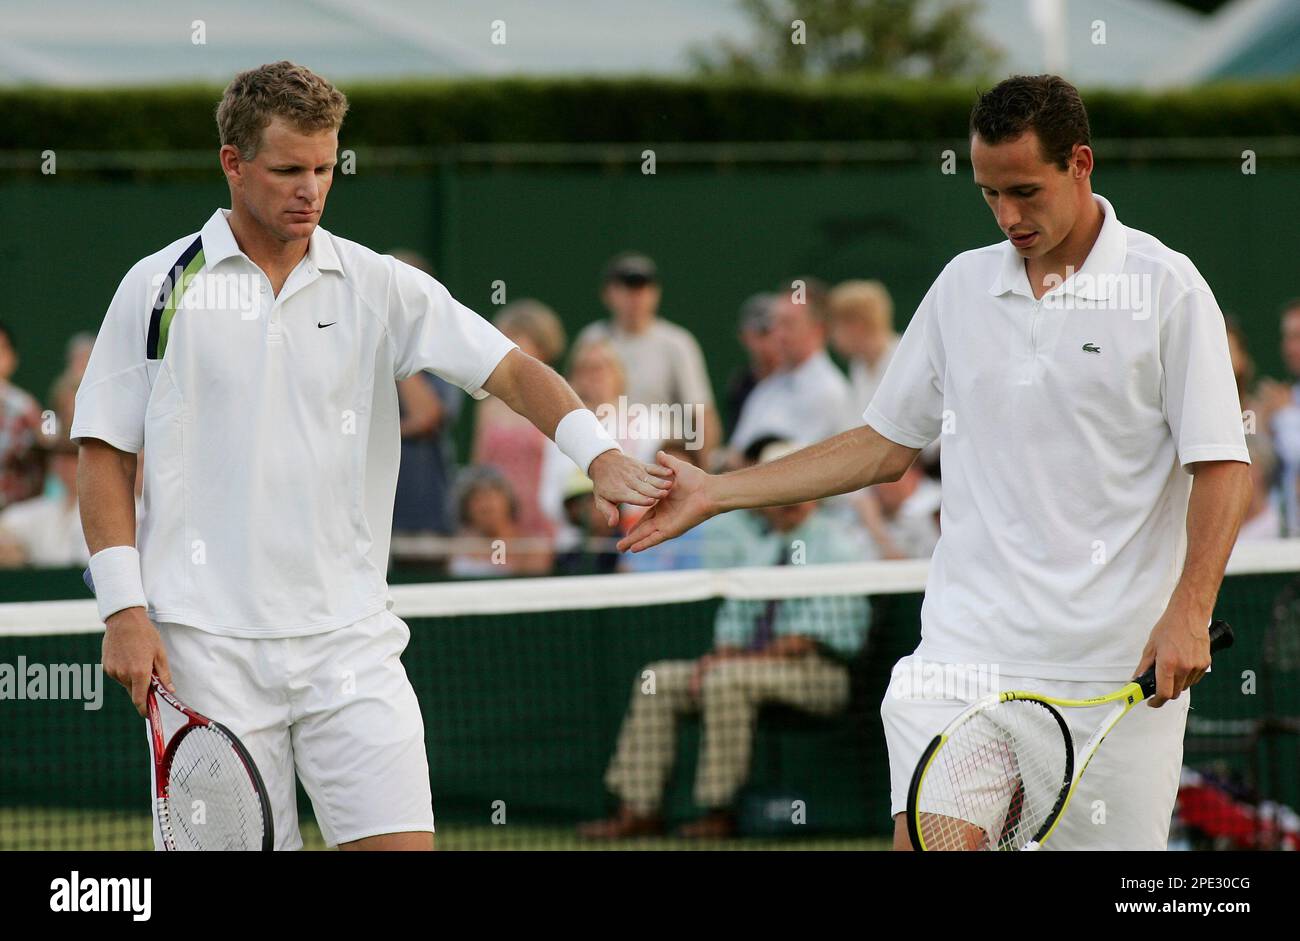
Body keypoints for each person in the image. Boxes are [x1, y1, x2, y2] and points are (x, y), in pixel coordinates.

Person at [619, 75, 1251, 852]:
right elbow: (883, 443)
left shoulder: (1168, 289)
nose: (1008, 216)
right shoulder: (960, 286)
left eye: (1025, 191)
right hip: (964, 655)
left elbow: (1222, 463)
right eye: (989, 194)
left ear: (1081, 163)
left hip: (1111, 672)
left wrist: (1190, 606)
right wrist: (717, 490)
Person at [71, 61, 671, 852]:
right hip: (205, 650)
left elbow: (515, 370)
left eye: (325, 169)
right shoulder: (155, 288)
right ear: (232, 162)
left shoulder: (380, 285)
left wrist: (597, 454)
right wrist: (124, 610)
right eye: (288, 169)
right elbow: (104, 454)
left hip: (351, 644)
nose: (310, 189)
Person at [580, 440, 869, 840]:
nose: (783, 501)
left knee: (724, 680)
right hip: (749, 670)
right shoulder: (761, 550)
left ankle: (719, 811)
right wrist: (719, 657)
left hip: (820, 676)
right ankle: (638, 808)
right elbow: (735, 625)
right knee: (657, 681)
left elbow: (807, 639)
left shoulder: (840, 547)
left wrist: (727, 665)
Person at [575, 253, 721, 465]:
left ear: (655, 294)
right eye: (626, 287)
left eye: (643, 288)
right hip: (601, 455)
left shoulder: (677, 343)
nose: (635, 296)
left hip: (661, 459)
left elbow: (701, 415)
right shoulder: (592, 338)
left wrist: (703, 471)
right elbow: (574, 399)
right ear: (608, 293)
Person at [473, 298, 568, 540]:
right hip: (497, 522)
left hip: (541, 519)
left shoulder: (558, 399)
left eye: (515, 342)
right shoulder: (488, 406)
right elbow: (479, 465)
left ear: (540, 348)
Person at [727, 283, 858, 456]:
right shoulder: (767, 387)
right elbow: (736, 450)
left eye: (788, 324)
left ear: (818, 330)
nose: (778, 334)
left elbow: (797, 471)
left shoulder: (829, 393)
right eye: (776, 323)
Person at [0, 437, 87, 568]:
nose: (66, 468)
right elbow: (10, 523)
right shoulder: (46, 509)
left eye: (73, 461)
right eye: (61, 461)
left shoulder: (106, 508)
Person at [828, 279, 900, 413]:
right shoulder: (859, 365)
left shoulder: (902, 360)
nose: (832, 336)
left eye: (836, 326)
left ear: (856, 325)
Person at [0, 321, 45, 510]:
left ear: (12, 358)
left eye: (2, 349)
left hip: (13, 507)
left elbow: (50, 437)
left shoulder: (25, 406)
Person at [722, 292, 780, 437]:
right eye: (760, 333)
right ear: (744, 337)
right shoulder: (740, 383)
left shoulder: (796, 379)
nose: (767, 341)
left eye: (769, 331)